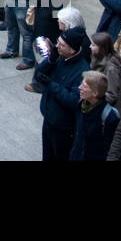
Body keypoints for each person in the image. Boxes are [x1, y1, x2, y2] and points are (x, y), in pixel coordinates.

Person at [34, 25, 90, 160]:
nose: (57, 46)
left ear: (72, 50)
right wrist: (49, 61)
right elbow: (38, 75)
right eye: (58, 42)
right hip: (49, 119)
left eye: (62, 45)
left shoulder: (82, 71)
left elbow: (73, 100)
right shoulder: (58, 57)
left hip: (63, 128)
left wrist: (50, 84)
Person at [70, 72, 120, 160]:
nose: (79, 87)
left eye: (84, 86)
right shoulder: (81, 104)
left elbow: (109, 147)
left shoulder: (109, 116)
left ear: (95, 93)